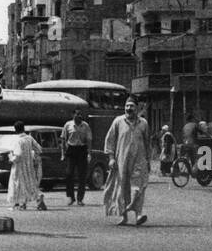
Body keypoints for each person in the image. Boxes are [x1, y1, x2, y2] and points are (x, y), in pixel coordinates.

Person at [103, 97, 151, 226]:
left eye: (132, 106)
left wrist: (148, 160)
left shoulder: (143, 123)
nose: (129, 109)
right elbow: (110, 140)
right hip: (121, 160)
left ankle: (138, 215)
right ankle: (123, 216)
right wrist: (111, 159)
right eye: (127, 106)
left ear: (137, 108)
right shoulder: (118, 121)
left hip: (139, 160)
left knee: (138, 187)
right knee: (122, 188)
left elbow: (147, 143)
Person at [7, 121, 46, 211]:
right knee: (29, 184)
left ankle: (20, 204)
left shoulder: (18, 140)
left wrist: (11, 159)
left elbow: (18, 155)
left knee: (18, 184)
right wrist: (33, 157)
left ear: (15, 130)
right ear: (23, 128)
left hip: (19, 166)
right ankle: (36, 198)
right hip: (29, 166)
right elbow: (39, 149)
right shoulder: (29, 138)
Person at [59, 108, 92, 206]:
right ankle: (71, 197)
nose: (79, 116)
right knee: (69, 174)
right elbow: (63, 139)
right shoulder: (68, 125)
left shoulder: (86, 126)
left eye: (81, 115)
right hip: (71, 150)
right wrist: (62, 153)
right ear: (73, 116)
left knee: (82, 175)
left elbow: (89, 140)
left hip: (82, 150)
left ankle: (80, 199)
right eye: (77, 114)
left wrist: (89, 153)